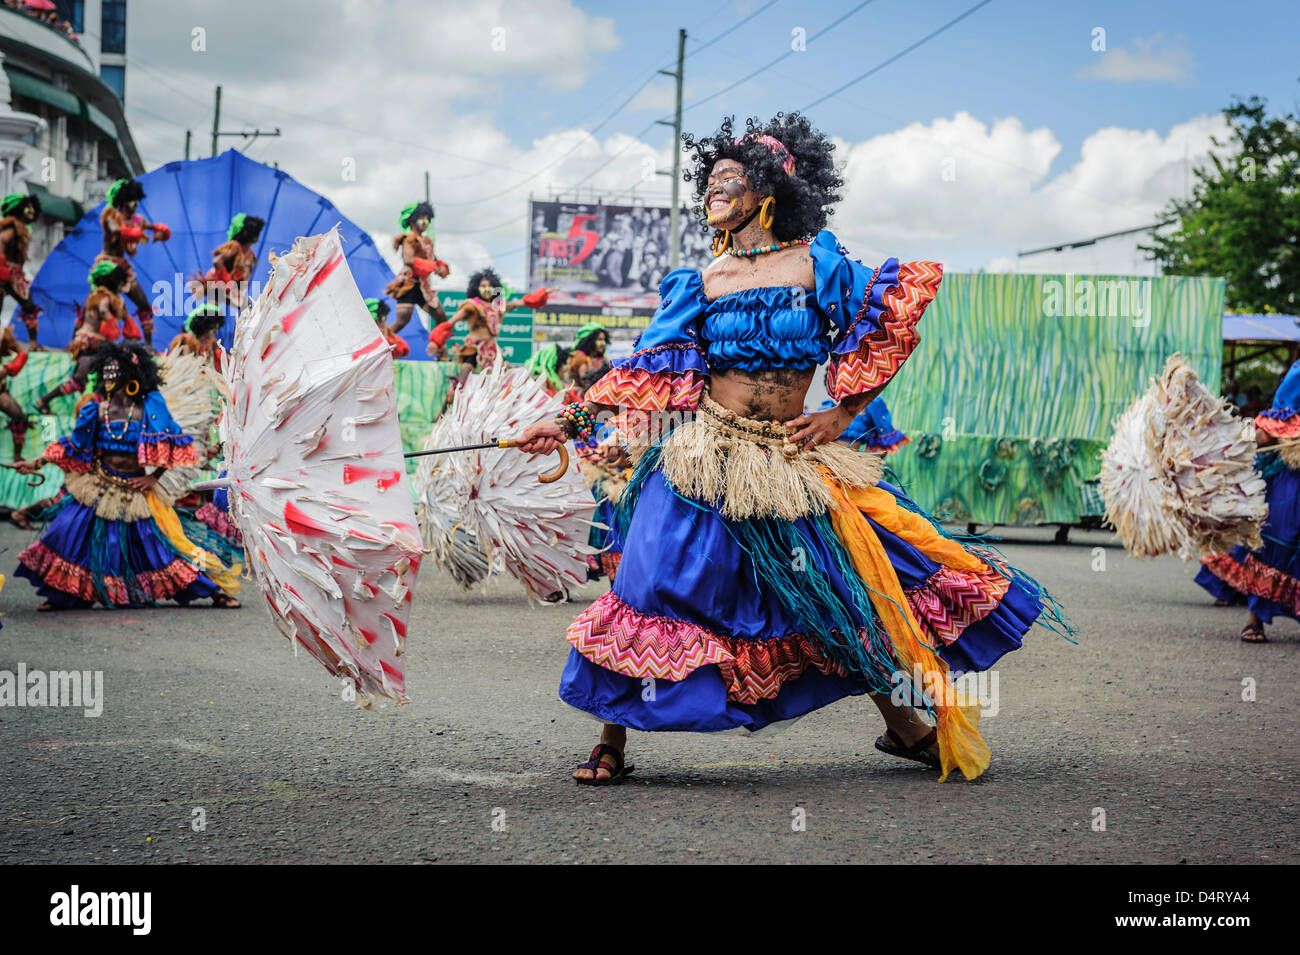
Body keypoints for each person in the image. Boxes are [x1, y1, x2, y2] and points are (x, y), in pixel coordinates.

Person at [519, 113, 1067, 785]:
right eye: (711, 179)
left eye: (730, 178)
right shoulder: (703, 279)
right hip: (704, 455)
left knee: (836, 588)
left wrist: (842, 412)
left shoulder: (817, 263)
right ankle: (613, 740)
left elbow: (890, 323)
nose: (715, 188)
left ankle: (905, 728)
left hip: (786, 459)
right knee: (649, 583)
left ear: (768, 189)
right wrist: (566, 420)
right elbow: (649, 367)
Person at [12, 342, 241, 610]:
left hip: (135, 492)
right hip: (98, 486)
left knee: (157, 548)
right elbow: (74, 446)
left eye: (115, 372)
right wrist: (35, 463)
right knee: (67, 533)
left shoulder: (148, 410)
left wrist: (154, 477)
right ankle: (63, 596)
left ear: (132, 375)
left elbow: (173, 444)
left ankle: (213, 591)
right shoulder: (96, 411)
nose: (109, 378)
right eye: (106, 373)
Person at [1196, 359, 1300, 641]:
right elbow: (1271, 428)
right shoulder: (1298, 373)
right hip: (1291, 478)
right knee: (1276, 538)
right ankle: (1255, 618)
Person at [95, 178, 171, 349]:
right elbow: (115, 229)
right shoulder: (111, 215)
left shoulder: (138, 220)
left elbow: (154, 228)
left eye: (136, 202)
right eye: (131, 202)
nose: (134, 206)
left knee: (144, 304)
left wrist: (161, 231)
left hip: (123, 267)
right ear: (122, 201)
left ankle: (149, 346)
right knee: (102, 306)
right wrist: (136, 233)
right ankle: (94, 343)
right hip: (107, 267)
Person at [444, 269, 552, 387]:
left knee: (506, 368)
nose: (486, 289)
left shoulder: (498, 306)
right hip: (474, 347)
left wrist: (543, 293)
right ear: (476, 287)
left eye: (490, 286)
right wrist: (442, 334)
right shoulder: (471, 305)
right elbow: (451, 322)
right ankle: (453, 396)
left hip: (492, 348)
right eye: (483, 286)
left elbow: (519, 303)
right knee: (465, 372)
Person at [384, 202, 449, 337]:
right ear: (413, 220)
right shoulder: (408, 239)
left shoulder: (427, 242)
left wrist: (441, 268)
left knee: (441, 316)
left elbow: (433, 260)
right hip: (408, 284)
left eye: (427, 218)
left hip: (423, 287)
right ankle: (380, 345)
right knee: (402, 321)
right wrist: (433, 266)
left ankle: (439, 349)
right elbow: (409, 260)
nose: (425, 221)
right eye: (422, 218)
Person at [193, 214, 264, 311]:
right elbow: (217, 261)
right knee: (213, 312)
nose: (259, 236)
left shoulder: (249, 252)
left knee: (245, 307)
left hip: (229, 288)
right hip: (218, 284)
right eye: (257, 232)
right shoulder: (235, 247)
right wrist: (226, 282)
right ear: (250, 233)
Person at [0, 192, 43, 346]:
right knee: (28, 306)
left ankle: (33, 343)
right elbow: (1, 245)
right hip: (5, 272)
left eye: (32, 208)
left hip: (14, 274)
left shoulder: (19, 228)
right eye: (27, 208)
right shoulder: (11, 228)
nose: (31, 211)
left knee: (29, 306)